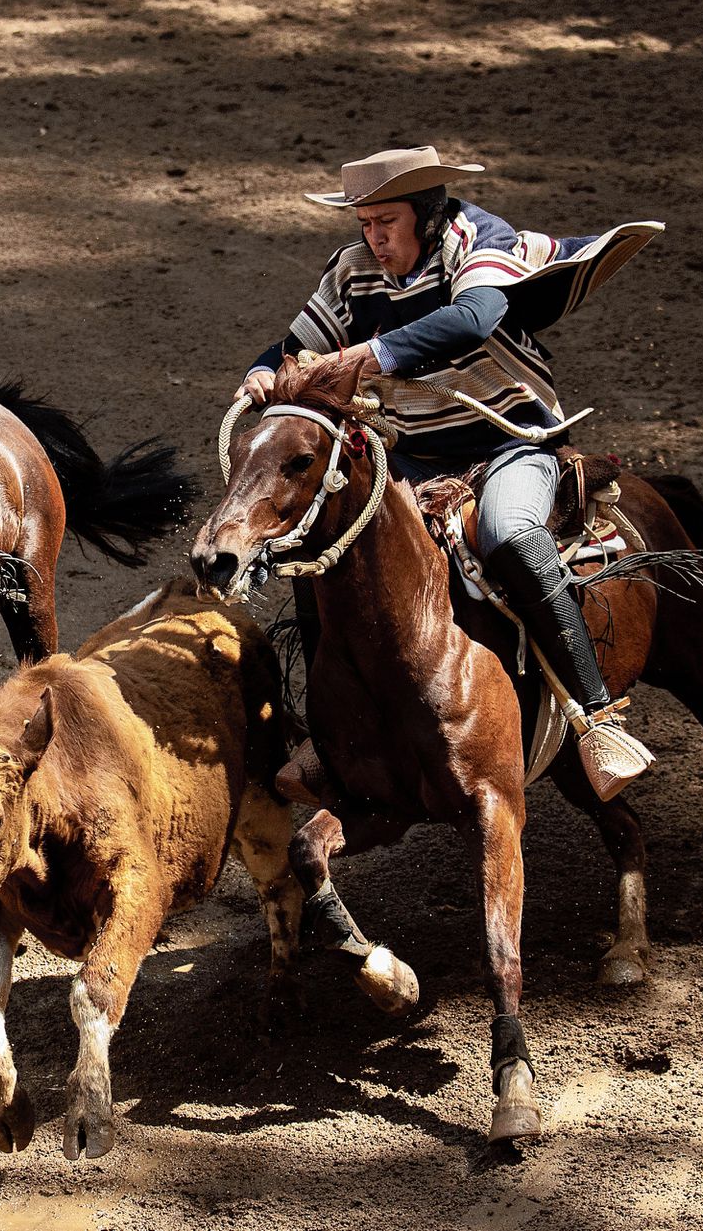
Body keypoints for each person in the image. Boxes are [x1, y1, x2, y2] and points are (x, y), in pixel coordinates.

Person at [239, 146, 663, 799]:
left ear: (428, 214)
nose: (373, 238)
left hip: (507, 444)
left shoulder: (477, 239)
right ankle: (329, 735)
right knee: (324, 540)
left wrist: (365, 357)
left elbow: (476, 317)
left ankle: (597, 715)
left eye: (387, 221)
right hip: (411, 455)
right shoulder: (354, 270)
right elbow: (297, 344)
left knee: (511, 532)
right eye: (365, 223)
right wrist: (265, 369)